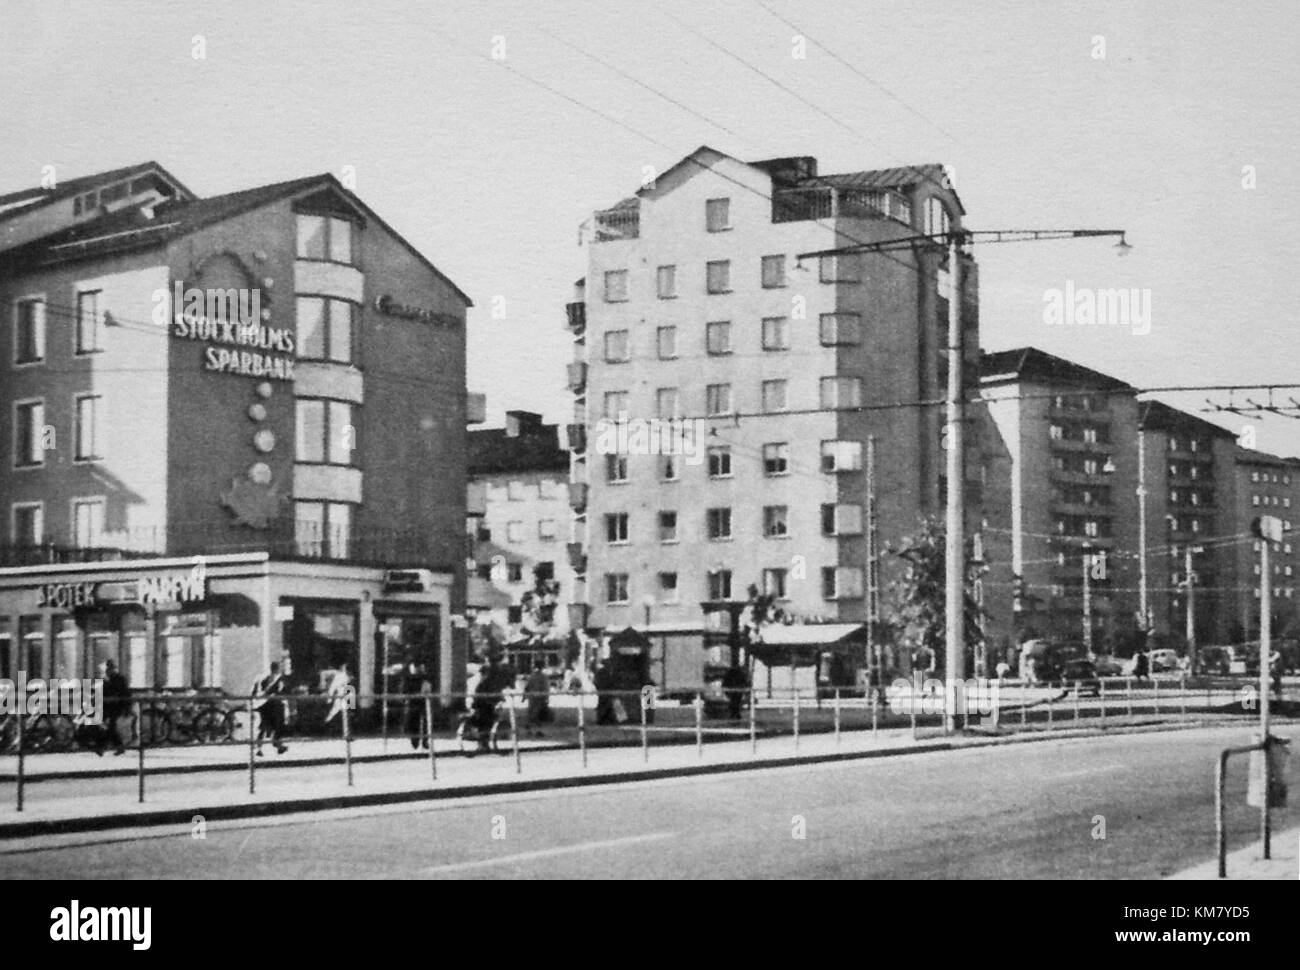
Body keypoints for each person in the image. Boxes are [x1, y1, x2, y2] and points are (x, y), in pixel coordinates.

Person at [94, 659, 130, 756]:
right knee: (110, 727)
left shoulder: (114, 679)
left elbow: (122, 694)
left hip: (114, 707)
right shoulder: (115, 678)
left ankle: (102, 747)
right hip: (111, 707)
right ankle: (114, 746)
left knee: (108, 726)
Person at [252, 662, 288, 755]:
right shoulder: (278, 679)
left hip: (262, 704)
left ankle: (259, 747)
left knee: (263, 726)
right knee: (277, 725)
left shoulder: (262, 677)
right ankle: (277, 744)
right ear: (277, 669)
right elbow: (280, 691)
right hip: (273, 705)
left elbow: (255, 691)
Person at [525, 660, 551, 737]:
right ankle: (538, 731)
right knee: (539, 715)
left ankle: (529, 730)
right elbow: (546, 688)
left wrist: (524, 696)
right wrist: (547, 697)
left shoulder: (532, 676)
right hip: (540, 697)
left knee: (531, 714)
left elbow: (527, 687)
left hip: (532, 697)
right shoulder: (544, 677)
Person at [324, 663, 353, 733]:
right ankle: (326, 723)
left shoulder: (349, 676)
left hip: (347, 697)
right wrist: (330, 698)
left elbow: (350, 687)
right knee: (334, 711)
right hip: (340, 697)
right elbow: (332, 687)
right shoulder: (339, 677)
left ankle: (346, 733)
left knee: (345, 713)